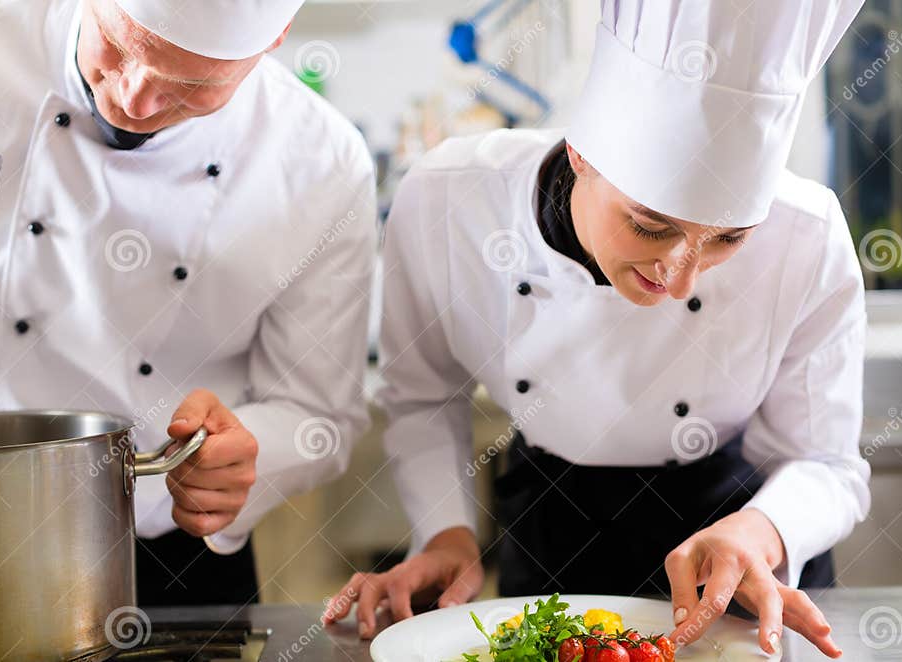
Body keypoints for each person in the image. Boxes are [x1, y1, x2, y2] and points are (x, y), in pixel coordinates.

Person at [325, 0, 869, 657]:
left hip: (734, 544)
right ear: (580, 152)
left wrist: (763, 530)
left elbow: (827, 463)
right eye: (650, 225)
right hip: (556, 524)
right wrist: (444, 534)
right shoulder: (449, 201)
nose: (681, 278)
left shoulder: (806, 234)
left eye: (728, 239)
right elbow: (421, 395)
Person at [0, 0, 376, 605]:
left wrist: (240, 454)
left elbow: (320, 414)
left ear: (277, 38)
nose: (133, 101)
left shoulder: (323, 164)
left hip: (161, 557)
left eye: (190, 84)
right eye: (117, 47)